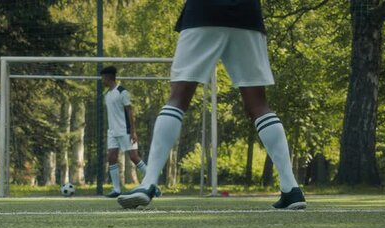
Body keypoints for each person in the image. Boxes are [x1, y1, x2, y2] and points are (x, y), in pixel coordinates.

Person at [117, 0, 306, 210]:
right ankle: (292, 188)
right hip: (247, 14)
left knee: (178, 98)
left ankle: (148, 183)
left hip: (203, 12)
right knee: (259, 104)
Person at [100, 66, 147, 198]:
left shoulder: (122, 92)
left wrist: (133, 131)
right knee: (111, 157)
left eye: (103, 77)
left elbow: (130, 111)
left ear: (108, 77)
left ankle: (152, 182)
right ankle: (116, 189)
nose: (102, 80)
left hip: (125, 131)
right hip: (112, 132)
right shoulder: (107, 94)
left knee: (133, 157)